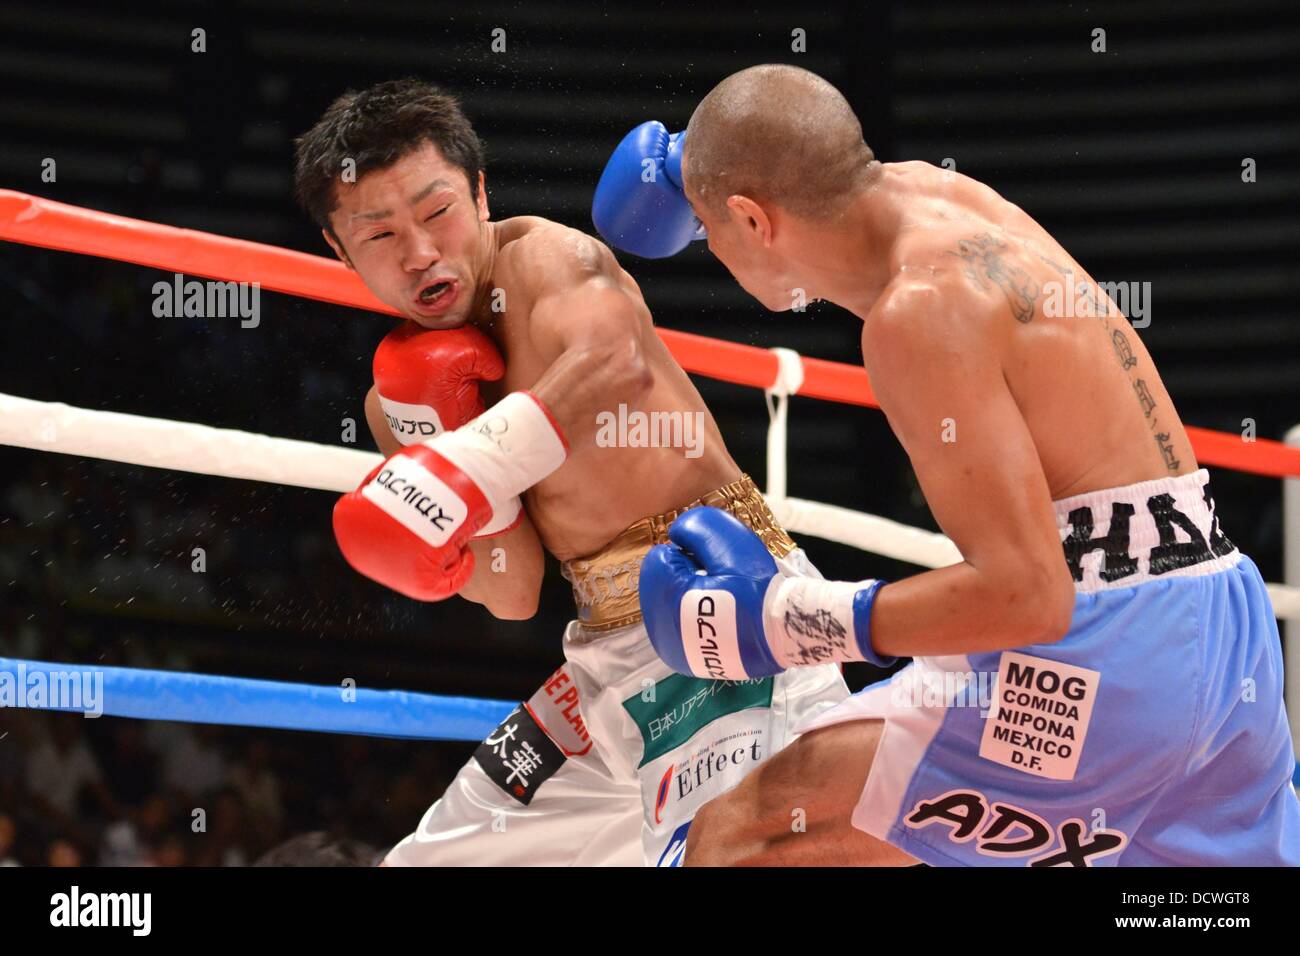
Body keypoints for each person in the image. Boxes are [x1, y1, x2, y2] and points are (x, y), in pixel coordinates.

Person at [595, 63, 1300, 866]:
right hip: (1222, 616)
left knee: (746, 835)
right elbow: (784, 151)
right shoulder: (941, 199)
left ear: (754, 219)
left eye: (709, 231)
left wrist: (784, 623)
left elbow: (1028, 594)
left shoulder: (915, 315)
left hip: (1097, 658)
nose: (709, 250)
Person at [291, 77, 847, 866]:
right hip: (599, 661)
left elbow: (612, 365)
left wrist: (469, 462)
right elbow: (512, 590)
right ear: (338, 250)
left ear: (480, 194)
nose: (420, 253)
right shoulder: (397, 407)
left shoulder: (550, 262)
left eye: (437, 211)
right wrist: (450, 466)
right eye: (378, 236)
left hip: (719, 611)